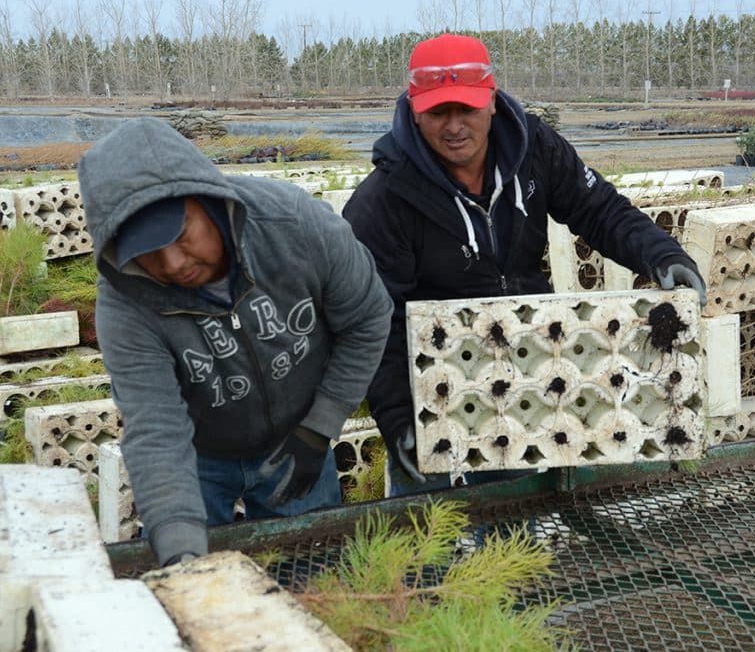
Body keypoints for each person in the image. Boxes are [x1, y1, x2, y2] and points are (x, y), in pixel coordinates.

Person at [343, 33, 706, 496]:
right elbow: (377, 320)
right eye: (438, 112)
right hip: (437, 387)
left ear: (491, 101)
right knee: (432, 551)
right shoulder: (382, 203)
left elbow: (598, 209)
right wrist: (400, 422)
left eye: (466, 109)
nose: (454, 126)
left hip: (526, 375)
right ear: (414, 110)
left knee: (521, 535)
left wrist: (661, 253)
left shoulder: (535, 150)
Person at [79, 117, 392, 567]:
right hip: (198, 456)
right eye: (146, 252)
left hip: (298, 436)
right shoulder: (126, 303)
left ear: (206, 199)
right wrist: (181, 558)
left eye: (180, 235)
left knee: (311, 574)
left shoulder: (294, 225)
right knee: (187, 577)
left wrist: (320, 426)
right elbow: (156, 430)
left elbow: (367, 318)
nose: (171, 264)